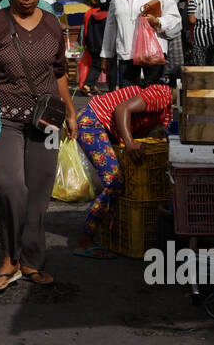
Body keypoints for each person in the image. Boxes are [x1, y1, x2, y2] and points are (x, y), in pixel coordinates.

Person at [0, 0, 76, 290]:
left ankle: (31, 260)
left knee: (40, 191)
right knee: (9, 186)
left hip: (47, 122)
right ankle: (10, 256)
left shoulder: (52, 26)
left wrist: (70, 111)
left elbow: (58, 73)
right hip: (3, 119)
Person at [71, 82, 174, 258]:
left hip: (104, 127)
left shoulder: (168, 112)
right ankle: (84, 241)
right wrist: (129, 143)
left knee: (117, 182)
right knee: (114, 182)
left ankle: (108, 235)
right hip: (92, 122)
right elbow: (122, 109)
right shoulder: (164, 95)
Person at [99, 0, 180, 87]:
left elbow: (174, 17)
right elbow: (111, 27)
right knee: (128, 96)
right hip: (126, 54)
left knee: (151, 97)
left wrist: (158, 22)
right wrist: (105, 55)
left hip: (151, 54)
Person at [151, 0, 184, 82]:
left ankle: (174, 93)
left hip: (174, 32)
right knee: (157, 66)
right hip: (157, 33)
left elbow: (182, 10)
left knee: (176, 67)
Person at [78, 0, 110, 95]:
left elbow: (85, 29)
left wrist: (84, 42)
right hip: (99, 43)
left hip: (90, 42)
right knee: (97, 65)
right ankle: (89, 85)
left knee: (93, 65)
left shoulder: (89, 13)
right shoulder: (103, 14)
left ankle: (91, 84)